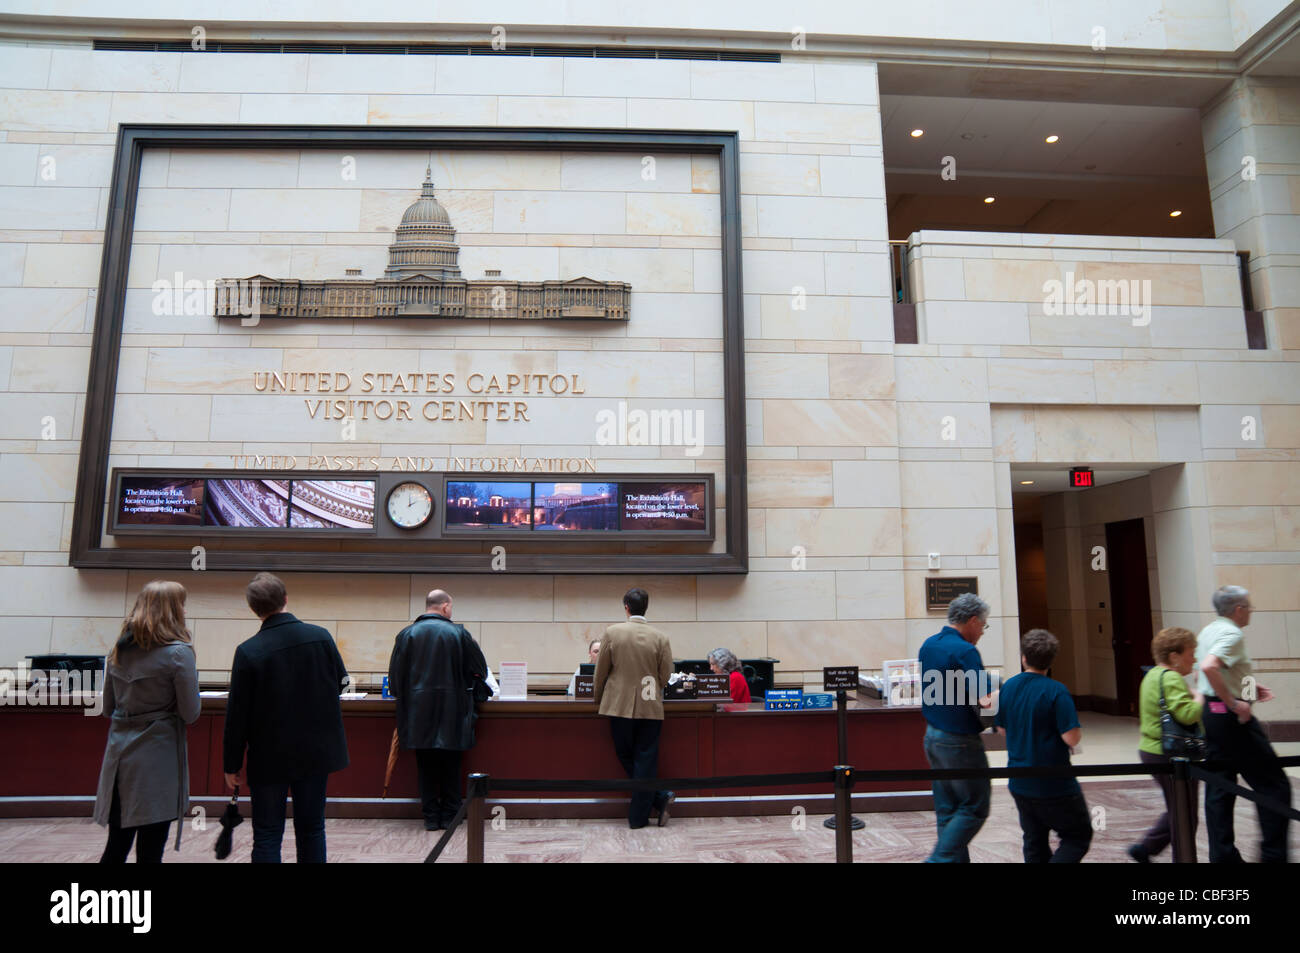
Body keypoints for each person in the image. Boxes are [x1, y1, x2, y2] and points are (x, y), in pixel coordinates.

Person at [223, 572, 350, 863]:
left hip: (269, 757)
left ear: (253, 609)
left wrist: (231, 764)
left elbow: (237, 717)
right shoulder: (320, 636)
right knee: (312, 828)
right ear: (286, 599)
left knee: (267, 833)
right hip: (316, 753)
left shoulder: (248, 652)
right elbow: (343, 684)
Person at [93, 580, 201, 863]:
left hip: (119, 758)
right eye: (183, 604)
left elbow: (107, 708)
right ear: (174, 611)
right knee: (151, 851)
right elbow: (191, 713)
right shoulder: (179, 653)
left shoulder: (118, 651)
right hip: (157, 760)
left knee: (116, 846)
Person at [1196, 585, 1290, 863]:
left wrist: (1246, 685)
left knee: (1219, 786)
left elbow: (1215, 671)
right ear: (1238, 609)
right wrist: (1234, 702)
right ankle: (1274, 856)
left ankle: (1223, 857)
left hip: (1210, 715)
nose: (1250, 612)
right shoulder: (1231, 633)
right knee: (1274, 785)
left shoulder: (1208, 630)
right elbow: (1209, 667)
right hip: (1231, 719)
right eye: (1249, 607)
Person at [388, 588, 489, 831]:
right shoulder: (459, 634)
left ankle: (431, 817)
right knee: (452, 765)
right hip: (453, 711)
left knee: (425, 766)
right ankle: (451, 816)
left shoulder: (406, 635)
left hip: (417, 713)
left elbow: (394, 682)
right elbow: (480, 671)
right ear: (445, 607)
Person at [995, 628, 1090, 863]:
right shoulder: (1056, 691)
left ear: (1024, 657)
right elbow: (1071, 738)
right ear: (1051, 660)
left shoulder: (1008, 687)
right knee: (1077, 836)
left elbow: (1001, 729)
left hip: (1019, 778)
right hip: (1054, 782)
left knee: (1034, 840)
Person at [918, 592, 997, 863]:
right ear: (973, 620)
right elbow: (985, 701)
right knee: (975, 807)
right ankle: (936, 861)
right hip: (960, 739)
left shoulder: (928, 645)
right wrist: (1008, 690)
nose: (982, 633)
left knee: (947, 809)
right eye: (983, 626)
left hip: (932, 736)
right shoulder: (965, 650)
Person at [593, 587, 675, 829]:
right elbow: (666, 674)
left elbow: (601, 671)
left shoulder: (612, 633)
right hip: (651, 707)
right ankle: (650, 806)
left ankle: (652, 805)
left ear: (626, 607)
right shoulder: (661, 637)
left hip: (618, 705)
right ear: (645, 607)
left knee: (625, 754)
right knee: (645, 759)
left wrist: (598, 698)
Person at [1128, 626, 1204, 862]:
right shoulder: (1171, 678)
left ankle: (1146, 848)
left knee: (1179, 807)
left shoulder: (1152, 675)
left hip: (1152, 751)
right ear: (1174, 656)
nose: (1194, 658)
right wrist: (1201, 696)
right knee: (1185, 814)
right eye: (1191, 653)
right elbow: (1187, 715)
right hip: (1169, 754)